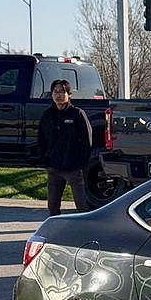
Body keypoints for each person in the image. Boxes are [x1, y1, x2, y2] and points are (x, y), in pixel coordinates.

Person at [37, 78, 93, 215]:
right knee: (53, 206)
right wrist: (44, 160)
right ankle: (55, 232)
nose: (58, 95)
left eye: (62, 92)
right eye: (55, 92)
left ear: (69, 94)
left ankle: (85, 232)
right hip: (54, 167)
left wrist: (81, 162)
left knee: (81, 207)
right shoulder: (47, 115)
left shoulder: (77, 114)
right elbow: (41, 139)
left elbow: (87, 140)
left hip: (73, 168)